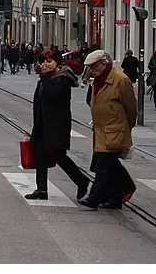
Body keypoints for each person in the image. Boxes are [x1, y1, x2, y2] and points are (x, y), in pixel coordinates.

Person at [26, 49, 91, 202]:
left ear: (57, 62)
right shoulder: (45, 78)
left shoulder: (63, 78)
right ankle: (41, 189)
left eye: (49, 61)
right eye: (43, 61)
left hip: (57, 125)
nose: (45, 65)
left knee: (59, 156)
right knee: (40, 156)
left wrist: (44, 76)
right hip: (43, 123)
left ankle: (81, 181)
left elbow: (52, 94)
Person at [79, 50, 137, 210]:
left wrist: (127, 127)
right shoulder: (97, 81)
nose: (92, 71)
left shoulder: (121, 80)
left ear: (104, 64)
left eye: (94, 67)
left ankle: (93, 198)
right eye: (89, 68)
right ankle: (118, 195)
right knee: (107, 164)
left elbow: (131, 108)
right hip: (100, 129)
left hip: (115, 130)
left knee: (103, 166)